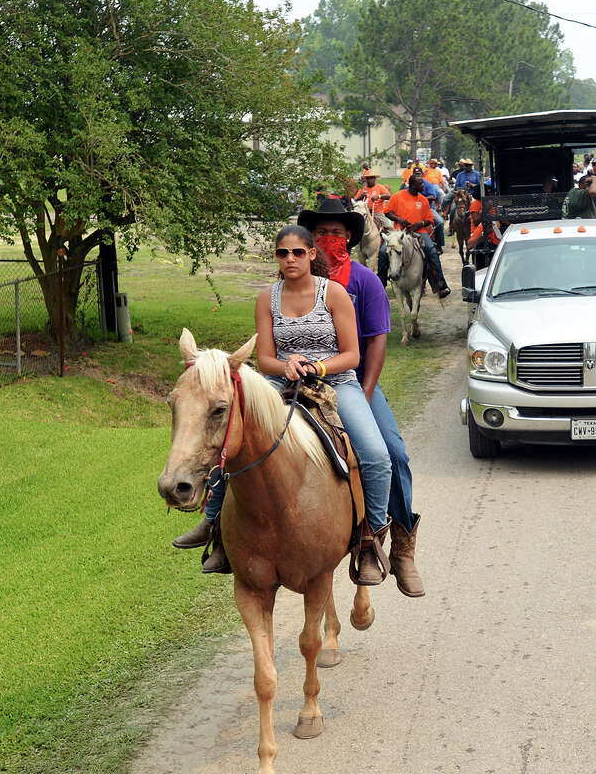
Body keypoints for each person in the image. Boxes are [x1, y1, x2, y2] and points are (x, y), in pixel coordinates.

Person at [173, 224, 393, 581]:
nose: (289, 259)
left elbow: (353, 355)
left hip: (336, 382)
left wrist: (317, 365)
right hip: (281, 381)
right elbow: (265, 359)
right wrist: (288, 364)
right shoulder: (267, 298)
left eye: (297, 252)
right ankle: (214, 524)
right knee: (232, 437)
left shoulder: (334, 294)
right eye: (282, 253)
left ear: (311, 254)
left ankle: (372, 538)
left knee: (377, 455)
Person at [303, 199, 425, 596]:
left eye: (337, 233)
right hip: (301, 383)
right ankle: (223, 526)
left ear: (351, 238)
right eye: (322, 233)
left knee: (392, 452)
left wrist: (365, 393)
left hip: (354, 383)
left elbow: (376, 342)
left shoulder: (364, 281)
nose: (328, 239)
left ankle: (400, 544)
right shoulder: (294, 281)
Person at [380, 172, 451, 298]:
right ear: (412, 185)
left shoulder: (423, 200)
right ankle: (380, 285)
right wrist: (400, 220)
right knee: (383, 251)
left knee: (432, 251)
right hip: (399, 232)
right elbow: (387, 212)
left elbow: (430, 219)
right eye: (420, 183)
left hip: (419, 232)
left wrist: (420, 223)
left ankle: (441, 284)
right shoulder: (398, 196)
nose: (423, 185)